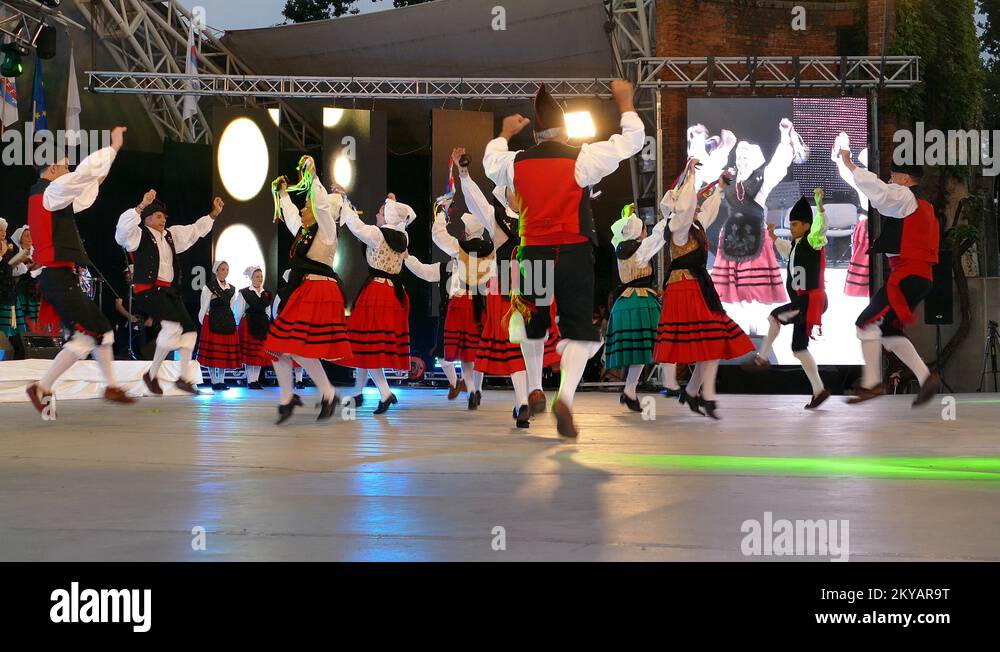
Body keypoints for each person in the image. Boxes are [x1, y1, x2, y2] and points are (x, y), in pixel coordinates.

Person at [483, 78, 645, 437]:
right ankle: (565, 400)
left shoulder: (514, 162)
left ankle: (534, 386)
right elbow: (632, 142)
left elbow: (489, 160)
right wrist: (625, 103)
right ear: (565, 132)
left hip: (531, 253)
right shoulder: (582, 158)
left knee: (528, 322)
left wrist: (504, 133)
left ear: (537, 134)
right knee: (580, 332)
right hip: (572, 251)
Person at [25, 126, 136, 416]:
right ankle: (107, 386)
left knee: (85, 338)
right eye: (64, 164)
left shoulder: (51, 197)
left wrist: (106, 163)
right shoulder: (50, 193)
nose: (68, 168)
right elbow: (84, 175)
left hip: (58, 278)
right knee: (101, 330)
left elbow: (88, 183)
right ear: (51, 168)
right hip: (58, 278)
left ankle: (43, 389)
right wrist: (112, 147)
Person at [838, 149, 942, 406]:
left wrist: (851, 166)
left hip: (907, 275)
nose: (889, 180)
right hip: (918, 277)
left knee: (865, 323)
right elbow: (882, 196)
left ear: (906, 179)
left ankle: (872, 384)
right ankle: (925, 378)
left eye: (893, 176)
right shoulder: (923, 205)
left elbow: (881, 194)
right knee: (885, 330)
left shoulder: (906, 196)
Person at [652, 159, 754, 419]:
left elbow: (705, 209)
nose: (695, 205)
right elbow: (687, 207)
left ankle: (696, 392)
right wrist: (688, 174)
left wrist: (719, 187)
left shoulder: (695, 225)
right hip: (684, 288)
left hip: (697, 286)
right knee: (708, 342)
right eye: (690, 201)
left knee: (710, 343)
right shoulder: (677, 225)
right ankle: (705, 395)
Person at [264, 158, 353, 423]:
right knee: (278, 346)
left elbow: (323, 206)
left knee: (293, 346)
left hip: (320, 292)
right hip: (305, 291)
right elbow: (290, 215)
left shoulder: (327, 231)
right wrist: (282, 193)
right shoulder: (305, 233)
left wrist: (312, 177)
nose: (304, 208)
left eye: (307, 205)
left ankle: (320, 393)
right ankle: (295, 396)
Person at [115, 189, 222, 393]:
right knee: (172, 328)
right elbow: (121, 233)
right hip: (147, 290)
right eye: (158, 216)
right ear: (147, 218)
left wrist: (213, 215)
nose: (163, 219)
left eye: (164, 216)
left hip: (168, 291)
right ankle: (160, 373)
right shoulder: (139, 235)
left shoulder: (171, 236)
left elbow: (194, 230)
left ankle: (175, 376)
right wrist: (141, 205)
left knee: (190, 331)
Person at [710, 119, 807, 320]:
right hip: (731, 234)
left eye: (745, 157)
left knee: (751, 285)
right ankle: (740, 321)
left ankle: (754, 322)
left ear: (753, 159)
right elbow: (710, 175)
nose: (741, 160)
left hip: (753, 234)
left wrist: (784, 135)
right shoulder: (730, 178)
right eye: (739, 156)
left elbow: (779, 164)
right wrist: (725, 147)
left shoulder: (763, 177)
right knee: (732, 286)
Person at [743, 188, 831, 409]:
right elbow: (784, 247)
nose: (790, 228)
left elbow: (821, 227)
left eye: (794, 224)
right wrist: (772, 237)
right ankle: (819, 390)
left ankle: (762, 358)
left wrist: (820, 209)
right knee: (799, 348)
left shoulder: (813, 241)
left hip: (810, 300)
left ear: (806, 226)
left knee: (774, 317)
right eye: (791, 224)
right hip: (805, 301)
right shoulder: (795, 247)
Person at [341, 194, 428, 415]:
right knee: (365, 344)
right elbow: (404, 219)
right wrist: (393, 204)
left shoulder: (378, 235)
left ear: (386, 216)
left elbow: (355, 225)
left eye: (380, 213)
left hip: (377, 293)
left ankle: (385, 392)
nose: (377, 216)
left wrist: (343, 201)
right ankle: (358, 392)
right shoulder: (403, 237)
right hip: (394, 293)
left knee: (369, 346)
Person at [605, 203, 662, 412]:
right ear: (639, 233)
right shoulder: (642, 249)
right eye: (644, 229)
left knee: (637, 350)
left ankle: (630, 391)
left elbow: (617, 231)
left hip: (623, 304)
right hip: (640, 302)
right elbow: (660, 234)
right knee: (655, 344)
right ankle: (669, 384)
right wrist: (673, 212)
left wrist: (627, 216)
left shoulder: (618, 244)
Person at [832, 133, 871, 297]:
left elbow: (844, 169)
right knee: (864, 256)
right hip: (869, 221)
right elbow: (844, 170)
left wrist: (843, 148)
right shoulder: (864, 176)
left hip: (877, 221)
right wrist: (843, 146)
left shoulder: (869, 177)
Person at [197, 261, 241, 390]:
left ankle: (221, 381)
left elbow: (232, 307)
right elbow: (204, 306)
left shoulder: (232, 288)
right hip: (212, 320)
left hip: (226, 321)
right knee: (213, 353)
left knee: (223, 353)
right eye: (222, 269)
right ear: (217, 271)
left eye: (227, 269)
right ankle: (214, 381)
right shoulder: (209, 287)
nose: (225, 272)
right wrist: (203, 320)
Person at [235, 266, 272, 391]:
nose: (260, 278)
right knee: (250, 354)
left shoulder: (266, 293)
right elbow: (238, 310)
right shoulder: (244, 292)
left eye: (261, 276)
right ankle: (250, 380)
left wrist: (266, 321)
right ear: (251, 278)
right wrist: (237, 324)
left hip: (262, 323)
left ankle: (255, 380)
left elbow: (268, 311)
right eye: (257, 276)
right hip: (249, 323)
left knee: (259, 354)